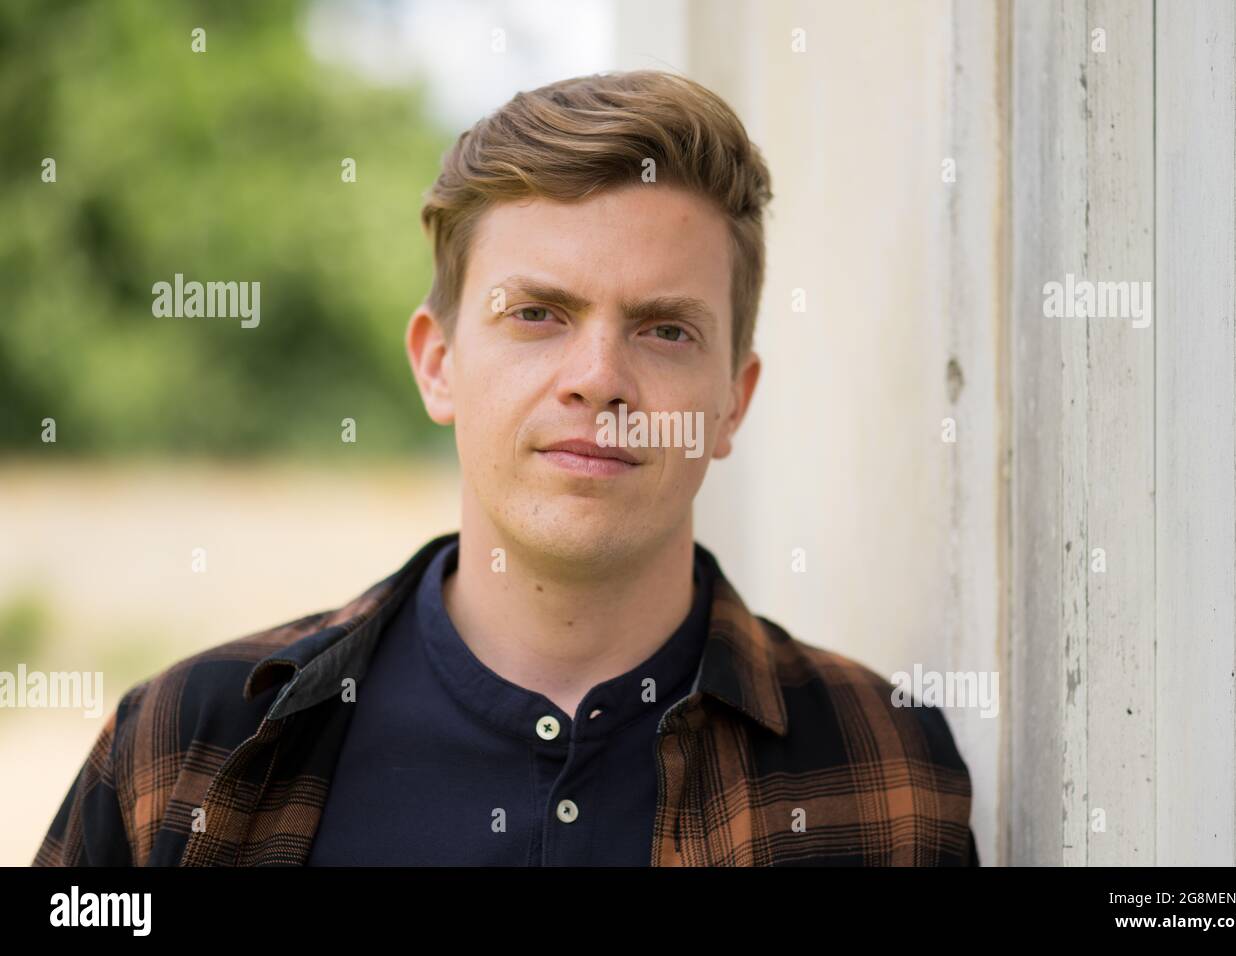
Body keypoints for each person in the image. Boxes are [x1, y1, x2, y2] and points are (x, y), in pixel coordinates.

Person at [34, 70, 977, 866]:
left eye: (665, 329)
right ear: (438, 362)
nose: (600, 378)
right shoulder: (188, 751)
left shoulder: (888, 770)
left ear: (733, 400)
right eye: (538, 314)